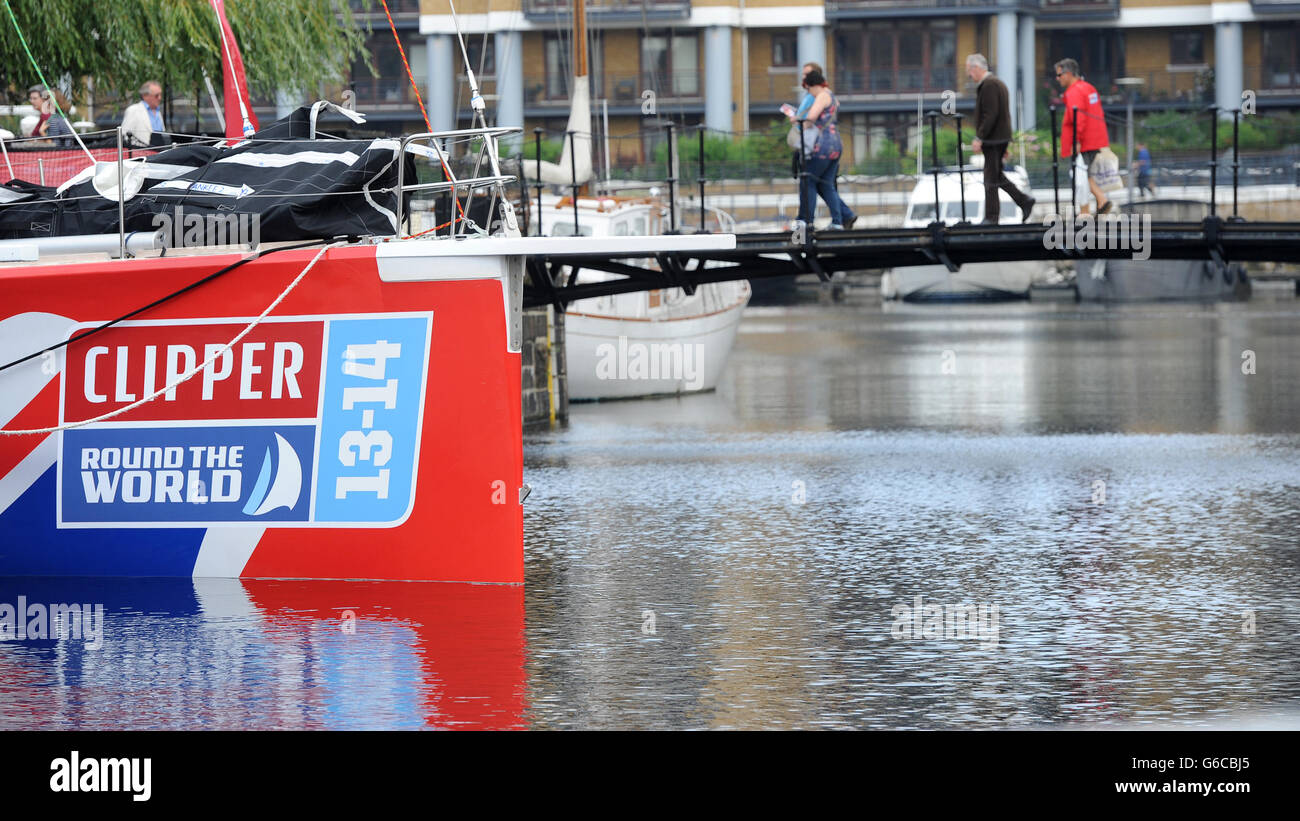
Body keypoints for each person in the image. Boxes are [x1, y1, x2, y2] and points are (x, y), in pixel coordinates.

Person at [787, 62, 859, 229]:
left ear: (813, 85)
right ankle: (837, 222)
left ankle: (805, 221)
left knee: (808, 181)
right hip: (835, 144)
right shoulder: (832, 95)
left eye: (809, 88)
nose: (809, 92)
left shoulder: (821, 96)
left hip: (821, 146)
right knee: (827, 184)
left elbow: (811, 117)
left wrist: (796, 119)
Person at [966, 54, 1035, 224]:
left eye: (970, 70)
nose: (969, 74)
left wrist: (979, 137)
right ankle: (1023, 200)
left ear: (977, 68)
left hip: (993, 139)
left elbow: (991, 114)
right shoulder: (997, 83)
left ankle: (991, 217)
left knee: (990, 178)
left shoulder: (989, 85)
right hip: (999, 138)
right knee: (995, 176)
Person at [1056, 58, 1112, 214]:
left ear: (1068, 74)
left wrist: (1077, 140)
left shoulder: (1074, 92)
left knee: (1079, 175)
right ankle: (1095, 204)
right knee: (1084, 175)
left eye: (1059, 75)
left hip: (1084, 143)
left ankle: (1090, 208)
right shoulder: (1089, 88)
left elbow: (1078, 117)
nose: (1058, 78)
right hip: (1095, 140)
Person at [121, 80, 165, 148]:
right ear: (145, 96)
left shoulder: (158, 112)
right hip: (141, 155)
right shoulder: (133, 110)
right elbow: (125, 137)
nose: (160, 98)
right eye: (156, 95)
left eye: (160, 94)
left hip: (160, 153)